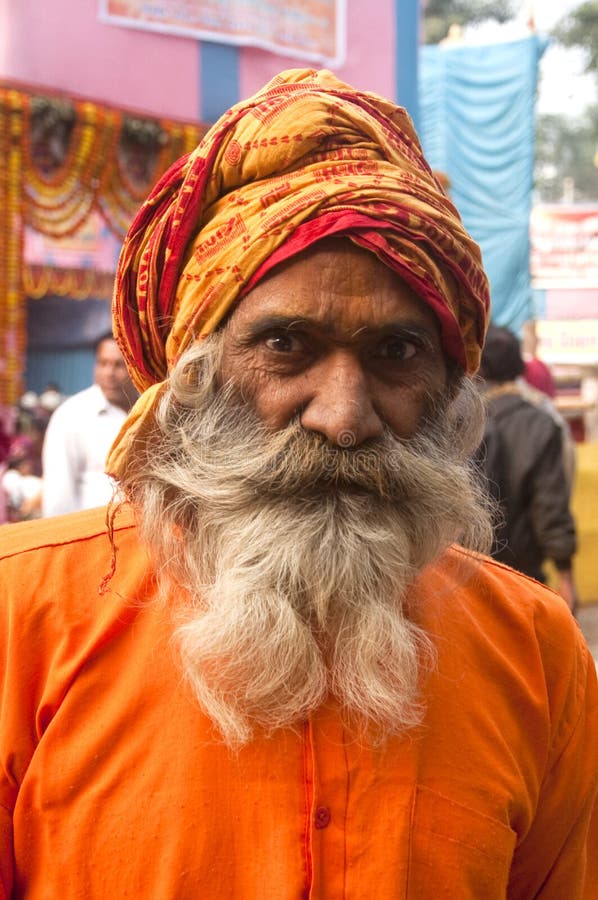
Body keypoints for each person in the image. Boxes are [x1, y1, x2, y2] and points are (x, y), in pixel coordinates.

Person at [1, 69, 596, 898]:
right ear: (195, 373)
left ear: (447, 386)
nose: (345, 416)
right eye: (286, 345)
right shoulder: (21, 620)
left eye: (396, 352)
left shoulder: (536, 652)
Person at [477, 324, 578, 610]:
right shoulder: (541, 423)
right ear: (519, 366)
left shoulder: (459, 420)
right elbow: (551, 508)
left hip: (464, 577)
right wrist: (566, 575)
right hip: (523, 579)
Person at [40, 333, 136, 516]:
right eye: (103, 363)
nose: (109, 373)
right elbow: (58, 496)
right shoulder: (71, 415)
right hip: (92, 537)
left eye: (119, 365)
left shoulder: (152, 411)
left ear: (136, 366)